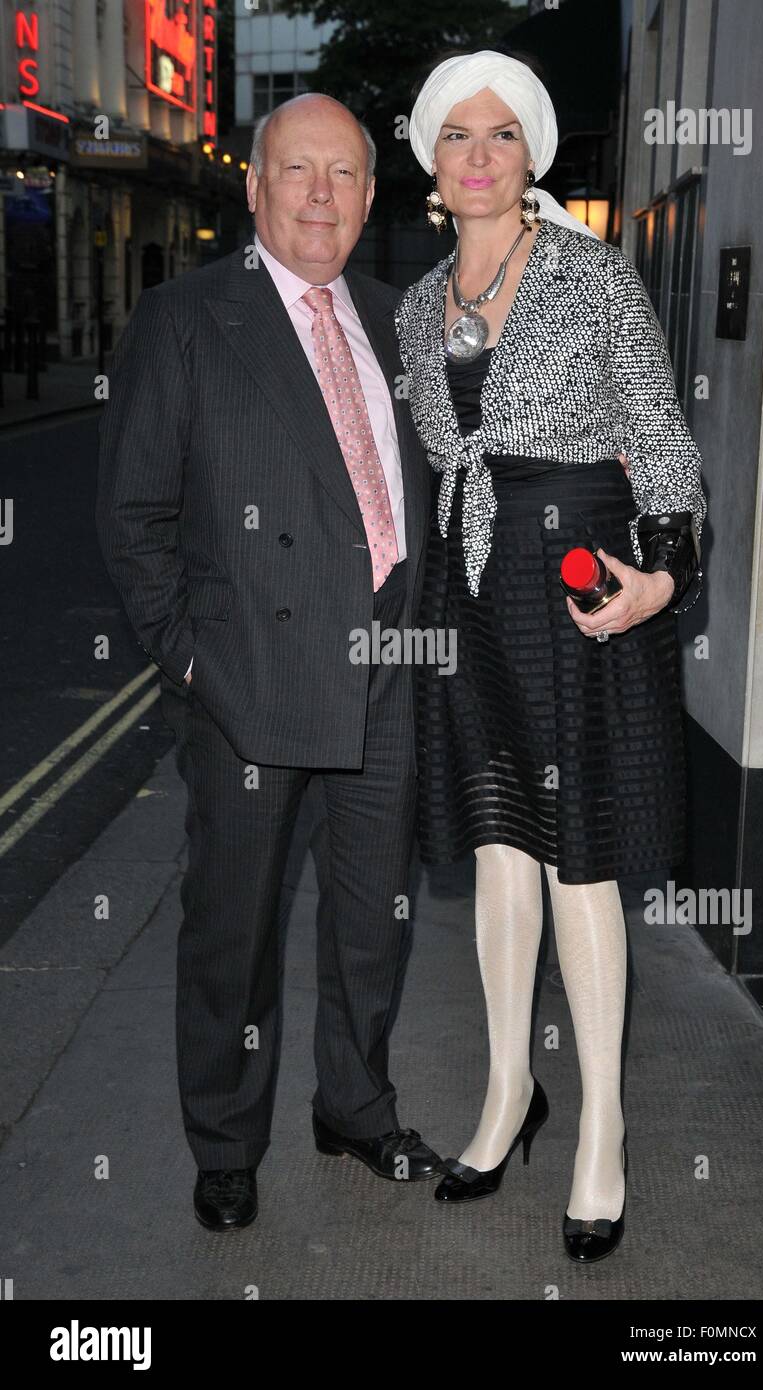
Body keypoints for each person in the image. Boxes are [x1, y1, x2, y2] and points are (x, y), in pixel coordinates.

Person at [96, 93, 441, 1232]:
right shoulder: (187, 318)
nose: (320, 196)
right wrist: (194, 668)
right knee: (232, 929)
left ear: (370, 196)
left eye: (342, 175)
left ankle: (352, 1103)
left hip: (387, 669)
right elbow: (135, 517)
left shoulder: (402, 321)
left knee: (369, 918)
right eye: (297, 171)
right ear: (254, 187)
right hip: (248, 687)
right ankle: (226, 1138)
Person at [395, 50, 706, 1262]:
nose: (478, 156)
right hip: (468, 592)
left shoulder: (591, 275)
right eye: (456, 137)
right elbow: (428, 454)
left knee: (575, 861)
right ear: (432, 160)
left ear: (531, 155)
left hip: (575, 582)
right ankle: (503, 1096)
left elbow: (659, 441)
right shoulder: (420, 303)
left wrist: (661, 578)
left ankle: (602, 1132)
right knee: (494, 848)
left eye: (501, 136)